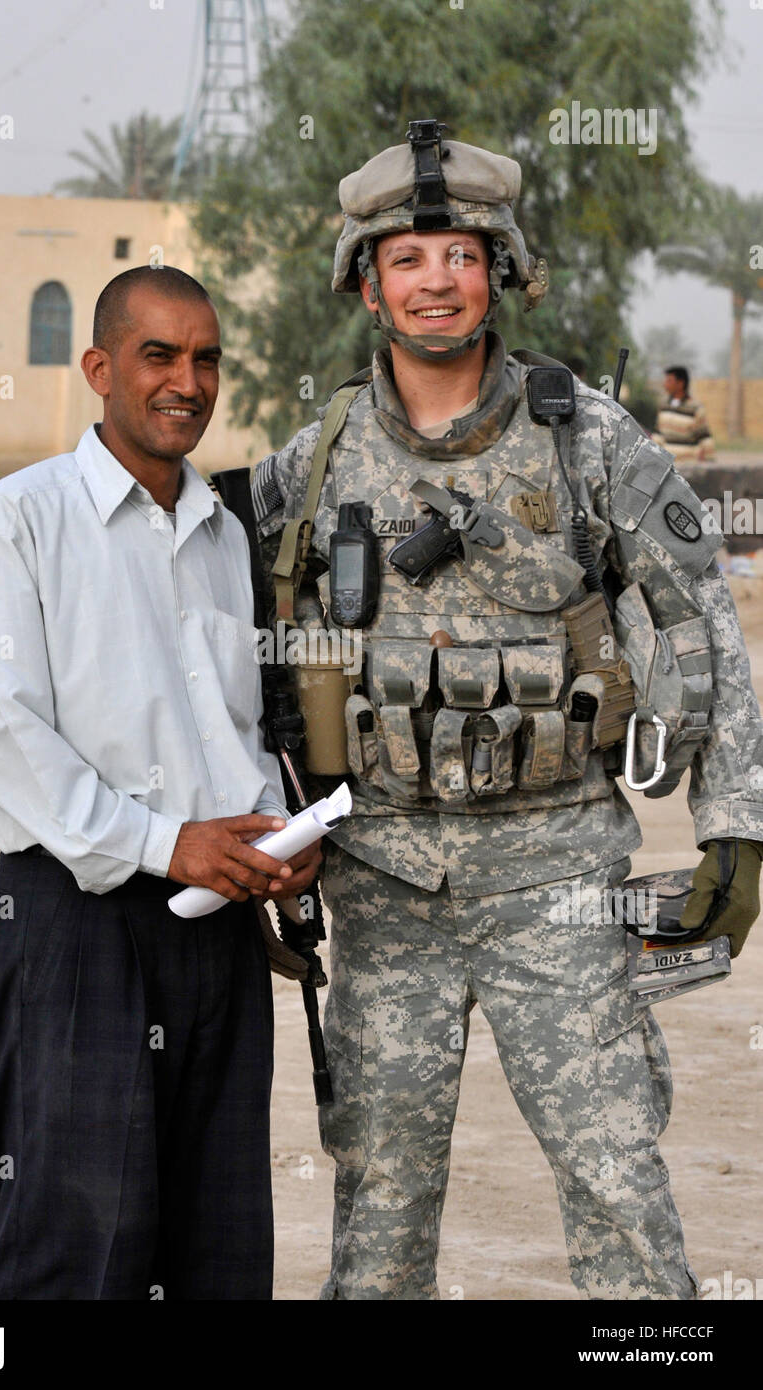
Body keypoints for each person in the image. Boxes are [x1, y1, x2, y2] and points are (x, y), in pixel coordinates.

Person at [252, 126, 763, 1300]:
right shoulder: (310, 466)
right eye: (408, 256)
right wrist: (263, 840)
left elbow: (704, 634)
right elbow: (258, 666)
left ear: (501, 268)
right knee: (377, 1211)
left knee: (618, 1184)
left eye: (460, 254)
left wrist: (735, 825)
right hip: (380, 887)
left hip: (561, 879)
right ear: (366, 281)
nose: (436, 278)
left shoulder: (590, 441)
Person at [0, 265, 320, 1300]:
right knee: (77, 1249)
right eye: (159, 355)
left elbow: (231, 730)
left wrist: (279, 833)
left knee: (217, 1249)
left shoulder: (223, 534)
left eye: (205, 359)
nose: (186, 382)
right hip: (75, 925)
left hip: (217, 927)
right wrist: (163, 843)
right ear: (100, 366)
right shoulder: (20, 520)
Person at [652, 364, 715, 461]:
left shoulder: (695, 408)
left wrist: (709, 460)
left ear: (680, 383)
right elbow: (658, 435)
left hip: (689, 464)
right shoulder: (663, 406)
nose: (665, 384)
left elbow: (704, 437)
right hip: (667, 464)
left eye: (669, 381)